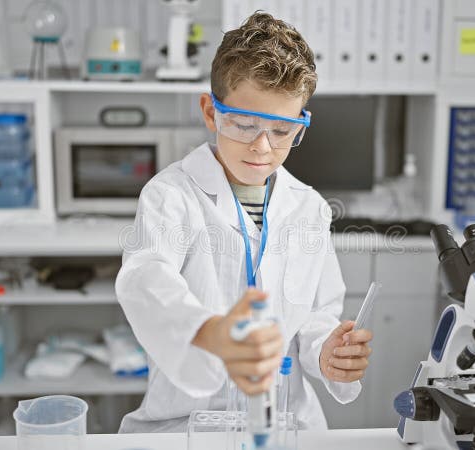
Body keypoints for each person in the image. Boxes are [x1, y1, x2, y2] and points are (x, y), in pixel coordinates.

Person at [115, 12, 373, 432]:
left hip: (284, 422)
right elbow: (144, 278)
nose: (262, 146)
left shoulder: (308, 209)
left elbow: (314, 315)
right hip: (187, 423)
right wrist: (209, 331)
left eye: (282, 129)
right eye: (244, 123)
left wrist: (327, 351)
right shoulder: (171, 196)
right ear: (211, 112)